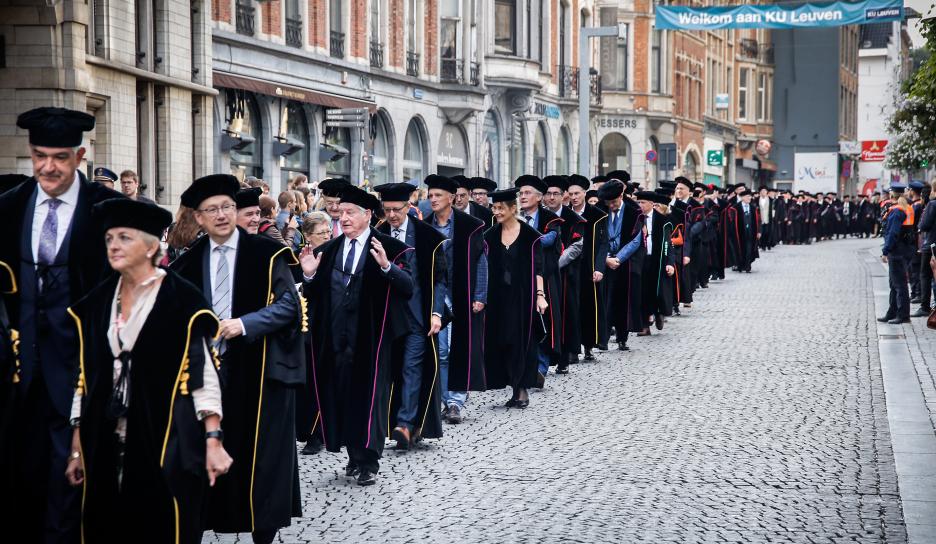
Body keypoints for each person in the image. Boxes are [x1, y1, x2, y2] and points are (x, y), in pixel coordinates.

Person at [64, 198, 232, 544]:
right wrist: (77, 447)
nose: (113, 245)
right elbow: (84, 380)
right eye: (109, 238)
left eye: (124, 237)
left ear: (152, 245)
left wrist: (213, 440)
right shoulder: (96, 303)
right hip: (104, 437)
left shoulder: (181, 300)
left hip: (164, 433)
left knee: (159, 523)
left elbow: (203, 375)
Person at [0, 106, 123, 542]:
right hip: (17, 373)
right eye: (38, 156)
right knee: (21, 474)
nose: (47, 167)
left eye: (59, 157)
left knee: (74, 483)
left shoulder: (108, 211)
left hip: (81, 371)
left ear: (80, 155)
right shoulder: (9, 208)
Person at [171, 174, 304, 544]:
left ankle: (263, 534)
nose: (221, 215)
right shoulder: (185, 265)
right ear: (197, 218)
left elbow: (288, 308)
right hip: (206, 373)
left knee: (260, 460)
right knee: (201, 456)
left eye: (227, 207)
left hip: (260, 370)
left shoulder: (267, 253)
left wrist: (243, 324)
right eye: (211, 210)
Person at [299, 184, 413, 485]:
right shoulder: (329, 250)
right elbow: (313, 294)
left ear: (366, 216)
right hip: (336, 337)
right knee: (343, 395)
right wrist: (309, 274)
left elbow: (408, 287)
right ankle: (353, 454)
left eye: (350, 213)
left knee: (370, 398)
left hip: (371, 338)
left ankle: (369, 461)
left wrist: (387, 267)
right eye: (341, 213)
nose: (343, 217)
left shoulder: (387, 247)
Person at [374, 182, 448, 450]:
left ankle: (404, 424)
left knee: (412, 369)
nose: (392, 215)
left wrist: (436, 312)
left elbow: (440, 278)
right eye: (387, 209)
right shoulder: (377, 235)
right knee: (387, 371)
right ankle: (384, 423)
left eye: (397, 209)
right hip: (387, 318)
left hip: (418, 316)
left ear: (409, 206)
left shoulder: (427, 236)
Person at [424, 174, 487, 424]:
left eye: (438, 195)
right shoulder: (425, 226)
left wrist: (480, 294)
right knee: (440, 351)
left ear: (452, 198)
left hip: (462, 292)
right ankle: (446, 399)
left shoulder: (470, 225)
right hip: (437, 296)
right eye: (430, 196)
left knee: (457, 348)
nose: (433, 199)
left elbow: (481, 260)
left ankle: (455, 402)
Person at [484, 188, 549, 408]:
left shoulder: (530, 236)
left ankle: (522, 390)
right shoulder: (490, 236)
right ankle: (513, 386)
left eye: (501, 207)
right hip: (498, 298)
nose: (497, 211)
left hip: (523, 297)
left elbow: (539, 269)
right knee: (502, 340)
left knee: (521, 341)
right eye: (494, 207)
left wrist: (540, 296)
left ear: (514, 208)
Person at [514, 175, 562, 386]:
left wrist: (522, 237)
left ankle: (541, 367)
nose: (523, 197)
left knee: (544, 322)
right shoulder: (514, 217)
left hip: (545, 279)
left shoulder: (551, 220)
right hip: (519, 279)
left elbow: (548, 241)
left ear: (539, 197)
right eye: (521, 193)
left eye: (527, 193)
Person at [543, 175, 587, 373]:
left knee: (566, 315)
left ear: (564, 196)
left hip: (566, 275)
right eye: (548, 193)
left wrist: (553, 264)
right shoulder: (540, 216)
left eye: (555, 194)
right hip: (542, 275)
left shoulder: (575, 220)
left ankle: (565, 357)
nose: (551, 197)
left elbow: (576, 247)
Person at [567, 175, 608, 361]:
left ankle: (589, 345)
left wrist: (599, 268)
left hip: (589, 267)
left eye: (577, 193)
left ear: (584, 193)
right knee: (570, 307)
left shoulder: (597, 215)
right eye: (571, 193)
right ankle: (571, 348)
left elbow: (603, 244)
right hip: (569, 267)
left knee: (588, 307)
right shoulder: (565, 215)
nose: (574, 197)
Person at [600, 180, 644, 349]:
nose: (611, 205)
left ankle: (622, 337)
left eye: (614, 202)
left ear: (621, 196)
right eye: (608, 203)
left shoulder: (634, 212)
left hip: (625, 263)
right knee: (605, 301)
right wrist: (606, 258)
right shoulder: (601, 211)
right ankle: (602, 339)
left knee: (623, 301)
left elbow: (636, 240)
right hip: (604, 262)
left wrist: (618, 258)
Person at [636, 191, 675, 336]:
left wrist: (670, 263)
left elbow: (668, 244)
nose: (640, 205)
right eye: (638, 202)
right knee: (642, 291)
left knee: (657, 290)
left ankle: (659, 313)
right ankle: (644, 325)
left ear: (652, 204)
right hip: (641, 260)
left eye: (643, 203)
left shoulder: (662, 220)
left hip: (658, 259)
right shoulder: (636, 219)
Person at [879, 194, 916, 324]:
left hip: (897, 252)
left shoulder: (896, 211)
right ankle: (892, 312)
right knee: (895, 284)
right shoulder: (907, 208)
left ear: (891, 195)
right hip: (905, 250)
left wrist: (885, 251)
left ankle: (903, 315)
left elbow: (892, 233)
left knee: (899, 285)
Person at [914, 180, 936, 317]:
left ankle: (925, 306)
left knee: (926, 275)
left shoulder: (932, 204)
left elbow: (924, 225)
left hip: (932, 245)